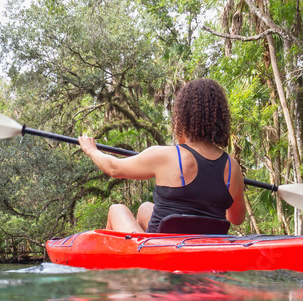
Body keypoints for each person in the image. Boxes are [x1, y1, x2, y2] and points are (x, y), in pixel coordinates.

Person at [78, 78, 246, 234]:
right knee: (144, 208)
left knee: (117, 210)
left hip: (161, 252)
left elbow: (113, 168)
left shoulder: (166, 155)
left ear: (184, 118)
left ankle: (120, 265)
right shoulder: (232, 167)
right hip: (204, 249)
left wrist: (91, 150)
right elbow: (236, 219)